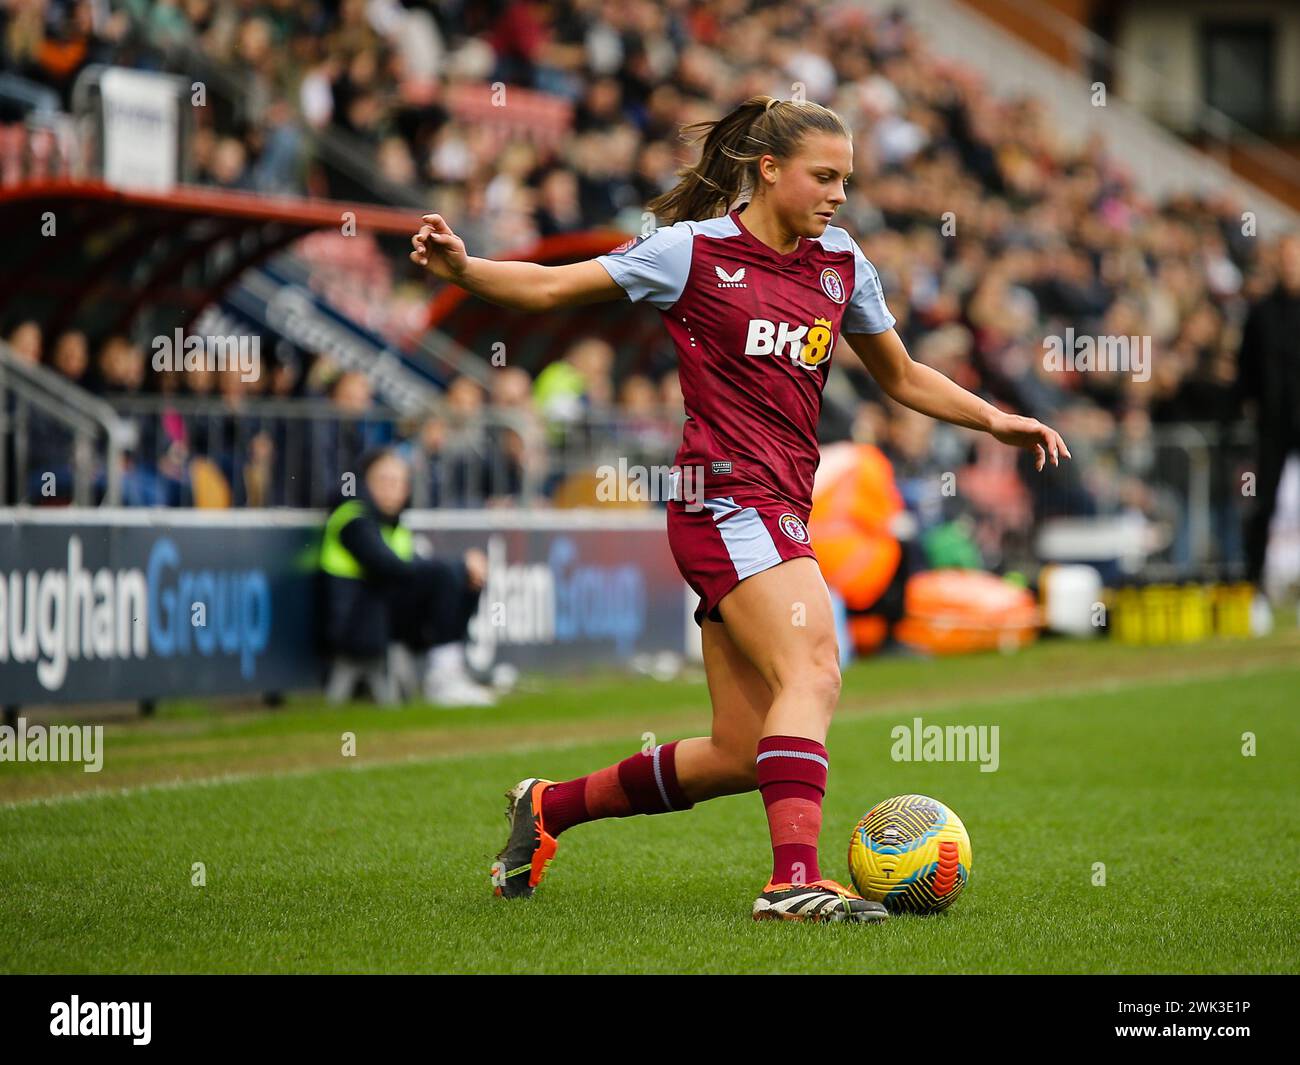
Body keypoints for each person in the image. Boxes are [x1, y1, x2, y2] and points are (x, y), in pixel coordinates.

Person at [411, 95, 1070, 922]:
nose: (838, 195)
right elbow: (553, 289)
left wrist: (996, 417)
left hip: (778, 505)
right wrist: (467, 269)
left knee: (739, 752)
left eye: (847, 180)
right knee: (816, 669)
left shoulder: (842, 264)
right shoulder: (691, 251)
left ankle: (550, 807)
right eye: (823, 176)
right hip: (721, 496)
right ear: (768, 170)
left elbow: (900, 376)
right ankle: (792, 879)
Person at [319, 448, 493, 707]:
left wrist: (463, 570)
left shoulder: (394, 524)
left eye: (398, 482)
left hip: (384, 614)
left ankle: (451, 668)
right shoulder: (353, 519)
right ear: (365, 482)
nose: (392, 489)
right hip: (353, 622)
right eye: (384, 481)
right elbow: (388, 567)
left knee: (465, 580)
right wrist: (458, 565)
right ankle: (441, 679)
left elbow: (411, 568)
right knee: (447, 573)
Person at [1238, 233, 1300, 594]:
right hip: (1273, 423)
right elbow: (1247, 369)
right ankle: (1253, 582)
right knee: (1264, 501)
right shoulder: (1262, 311)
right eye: (1285, 257)